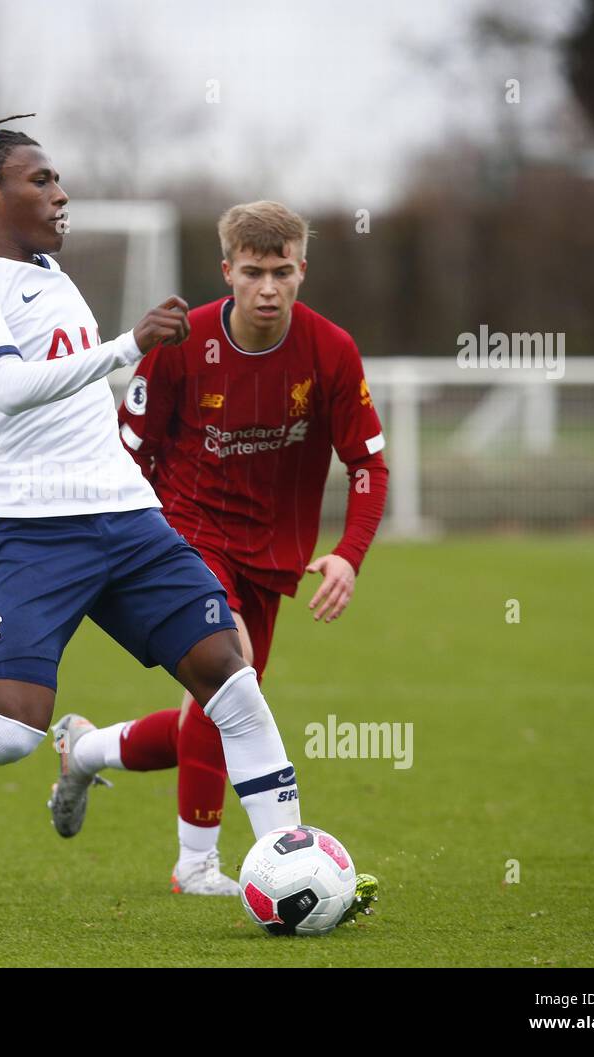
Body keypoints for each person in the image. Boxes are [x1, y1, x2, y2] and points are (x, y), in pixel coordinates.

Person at [0, 115, 302, 857]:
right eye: (42, 180)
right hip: (36, 530)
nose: (61, 192)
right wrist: (128, 346)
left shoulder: (47, 272)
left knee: (230, 678)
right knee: (14, 728)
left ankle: (290, 855)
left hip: (127, 516)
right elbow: (9, 381)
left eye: (56, 180)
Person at [46, 201, 387, 909]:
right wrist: (116, 549)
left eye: (283, 271)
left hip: (271, 554)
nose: (269, 287)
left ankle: (85, 749)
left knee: (221, 706)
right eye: (255, 271)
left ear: (302, 270)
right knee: (231, 681)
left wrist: (349, 554)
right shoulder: (180, 342)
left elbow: (366, 465)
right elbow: (125, 450)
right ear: (227, 270)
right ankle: (197, 863)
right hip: (181, 536)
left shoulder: (331, 351)